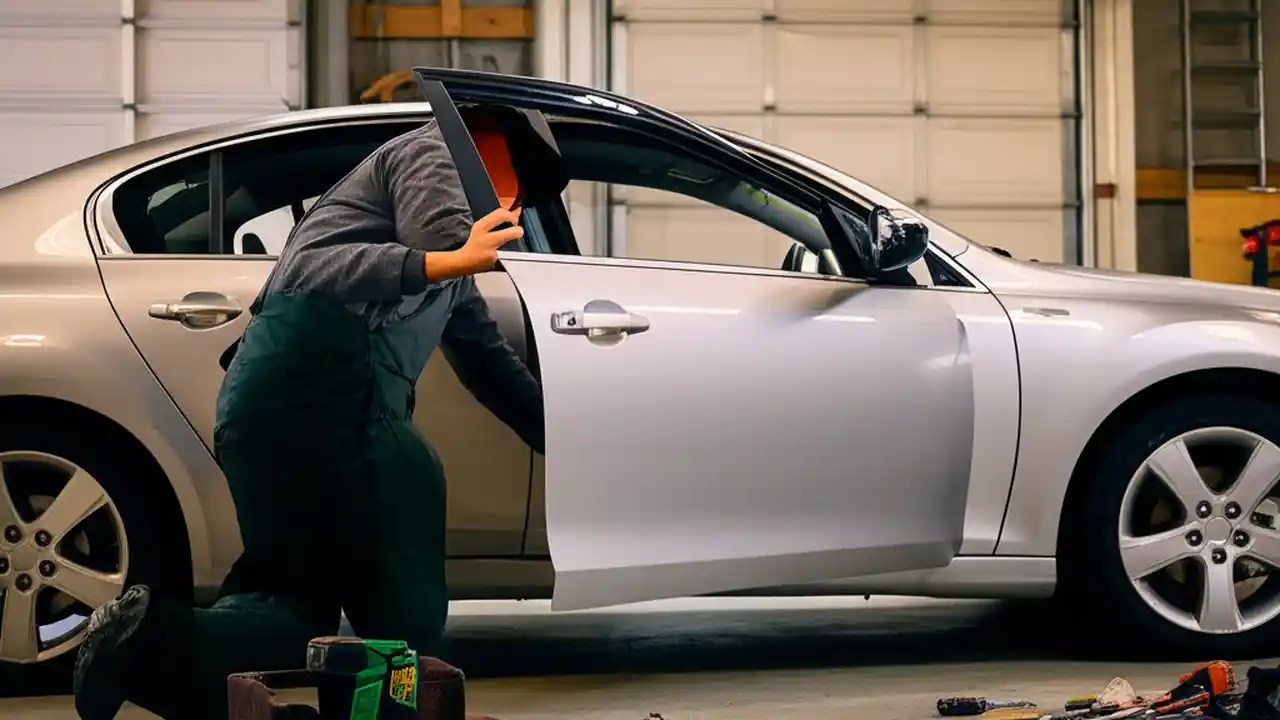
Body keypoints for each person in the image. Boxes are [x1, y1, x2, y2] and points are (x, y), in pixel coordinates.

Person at [72, 115, 545, 720]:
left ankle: (143, 643)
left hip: (278, 404)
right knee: (403, 599)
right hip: (329, 395)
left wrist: (566, 439)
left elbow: (487, 359)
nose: (510, 216)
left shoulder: (442, 268)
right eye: (512, 200)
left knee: (291, 605)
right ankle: (386, 716)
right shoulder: (435, 154)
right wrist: (442, 260)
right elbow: (328, 268)